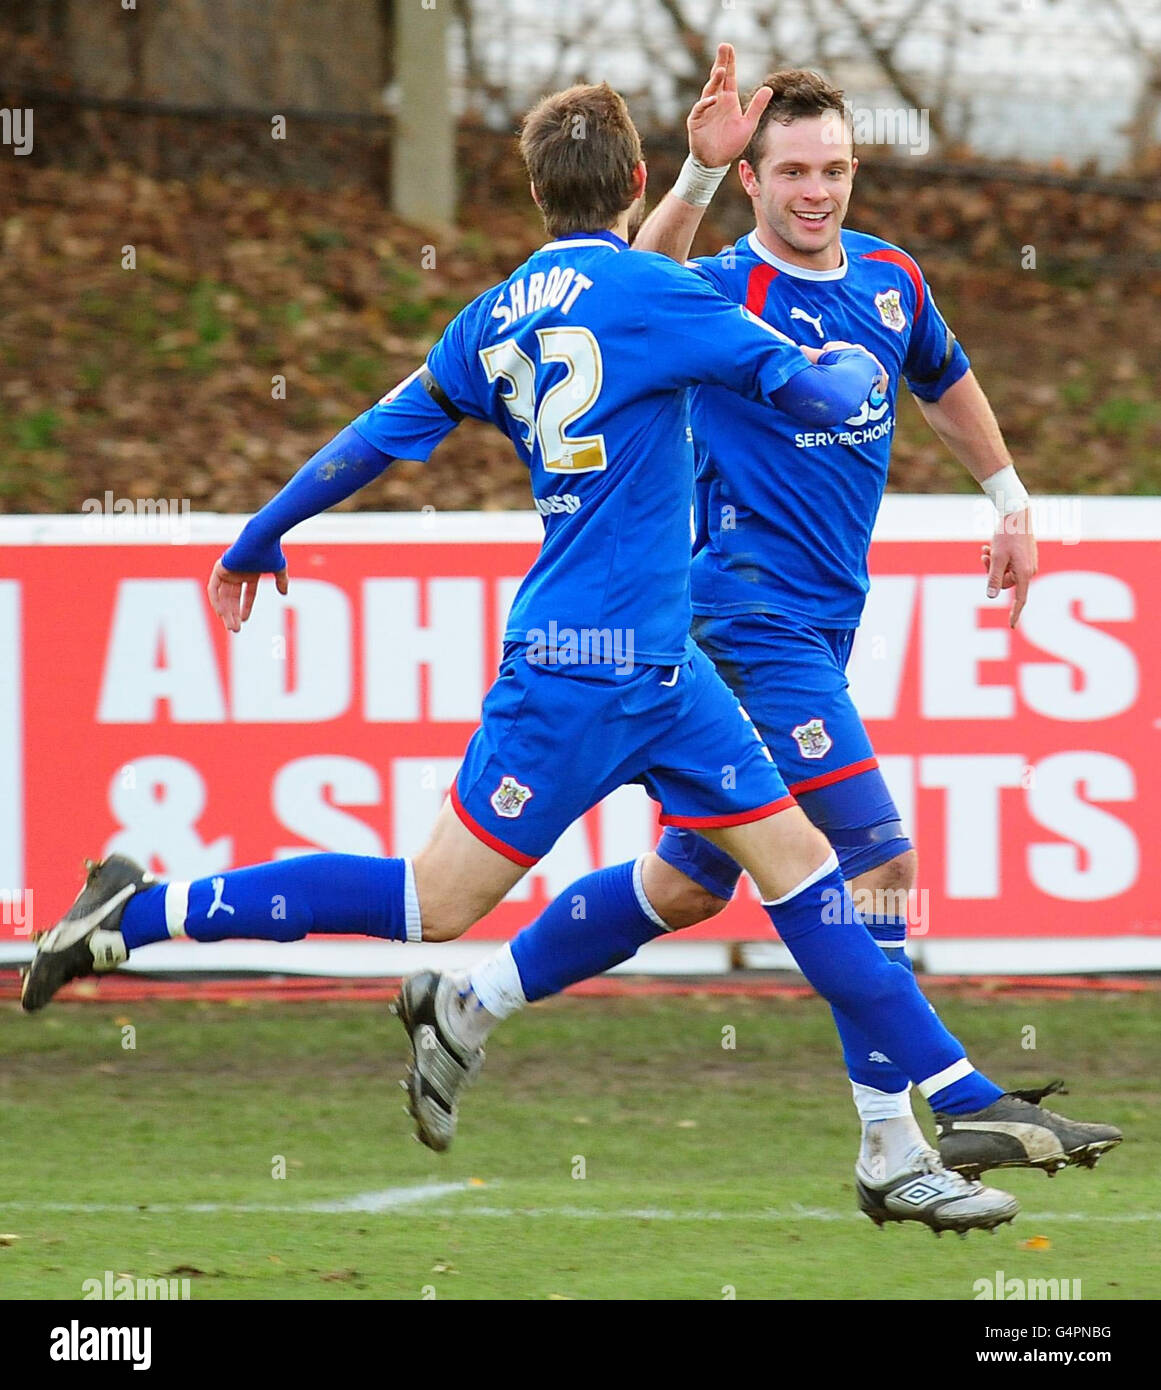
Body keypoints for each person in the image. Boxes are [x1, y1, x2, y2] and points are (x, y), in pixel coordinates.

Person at [23, 80, 1105, 1238]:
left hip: (666, 672)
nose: (816, 191)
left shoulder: (493, 314)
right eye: (794, 171)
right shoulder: (666, 291)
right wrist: (837, 372)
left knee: (797, 870)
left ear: (536, 191)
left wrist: (257, 534)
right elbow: (818, 381)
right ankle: (140, 914)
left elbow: (379, 433)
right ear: (643, 181)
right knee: (432, 902)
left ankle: (949, 1105)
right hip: (587, 670)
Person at [396, 53, 1120, 1223]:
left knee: (688, 885)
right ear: (755, 179)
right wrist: (691, 171)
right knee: (876, 859)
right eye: (791, 170)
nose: (816, 191)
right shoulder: (713, 286)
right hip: (739, 619)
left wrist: (1010, 497)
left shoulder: (888, 277)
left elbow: (944, 375)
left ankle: (468, 1001)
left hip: (822, 627)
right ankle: (896, 1140)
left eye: (834, 168)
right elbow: (613, 290)